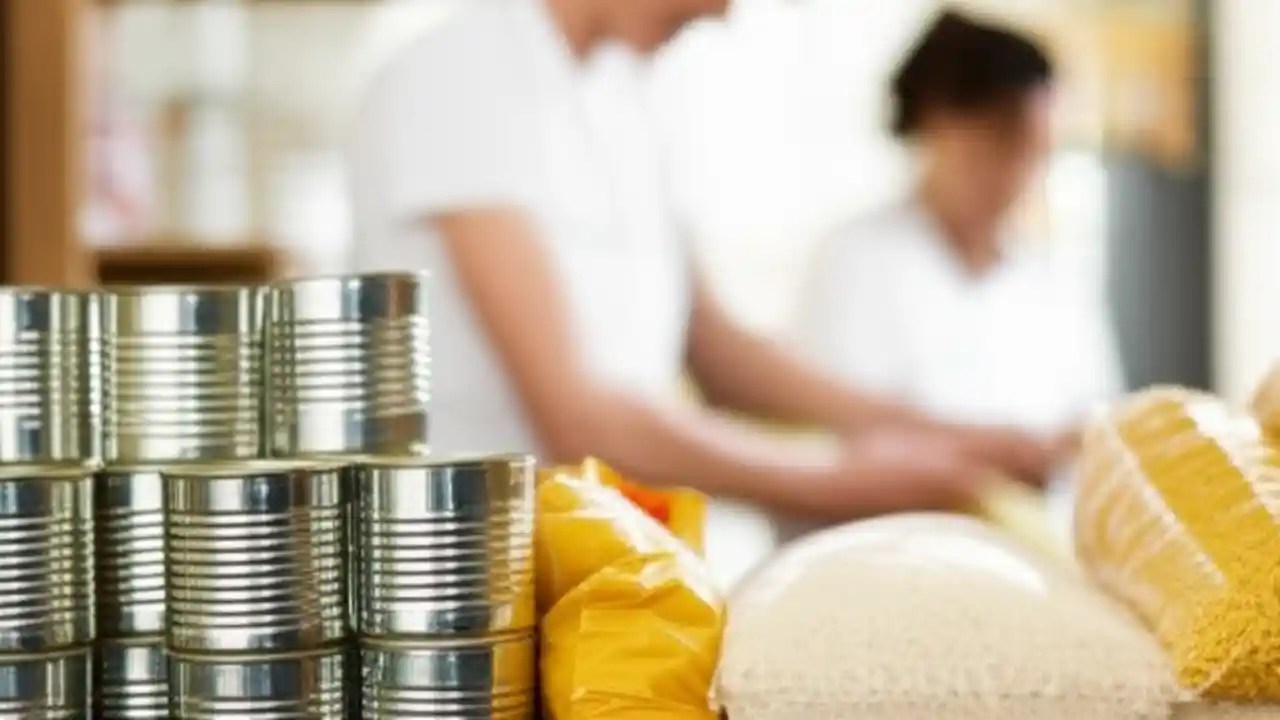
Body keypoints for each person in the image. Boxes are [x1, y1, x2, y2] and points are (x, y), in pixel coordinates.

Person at [350, 0, 1056, 524]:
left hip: (603, 559)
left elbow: (713, 348)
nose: (723, 11)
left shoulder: (628, 96)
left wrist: (932, 432)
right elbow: (580, 421)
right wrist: (843, 477)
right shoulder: (457, 77)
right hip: (463, 581)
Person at [795, 11, 1122, 453]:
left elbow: (1098, 422)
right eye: (1003, 138)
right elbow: (843, 440)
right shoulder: (856, 260)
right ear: (938, 121)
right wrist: (999, 454)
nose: (1020, 171)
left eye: (1037, 150)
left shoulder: (1052, 275)